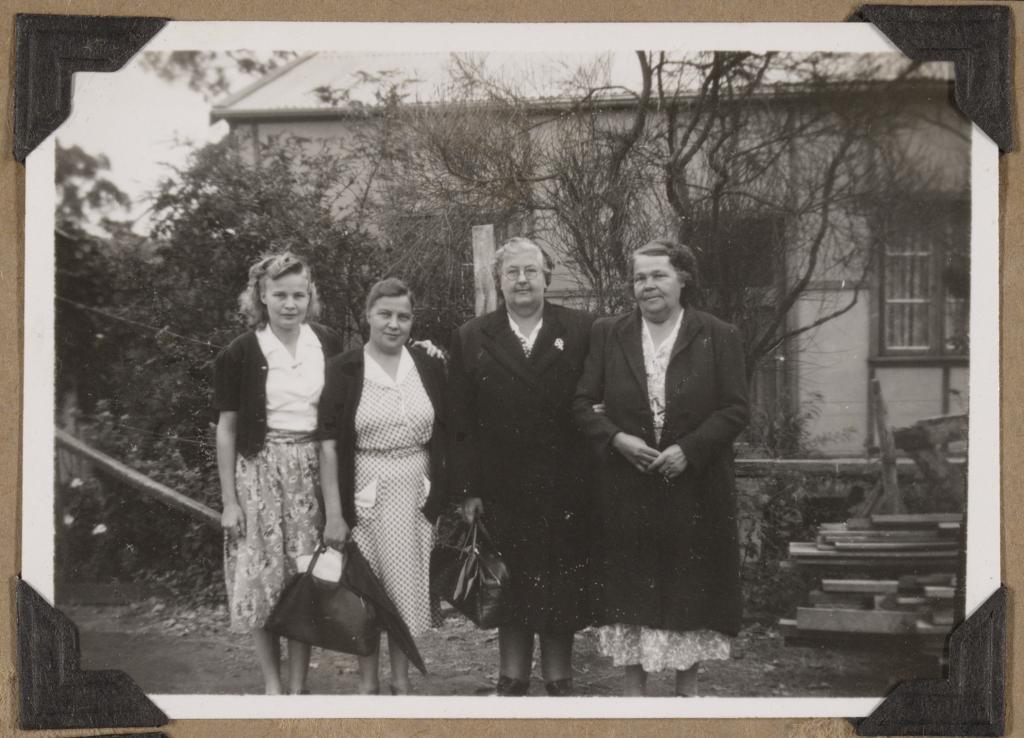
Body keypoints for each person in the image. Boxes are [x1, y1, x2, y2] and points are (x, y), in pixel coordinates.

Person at [573, 239, 749, 697]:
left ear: (683, 279)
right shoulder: (609, 332)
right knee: (633, 596)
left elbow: (735, 409)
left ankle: (685, 698)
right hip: (628, 491)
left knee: (688, 596)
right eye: (639, 277)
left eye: (658, 275)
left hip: (694, 490)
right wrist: (616, 439)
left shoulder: (717, 334)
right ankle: (634, 701)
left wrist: (690, 449)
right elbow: (581, 404)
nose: (647, 286)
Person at [448, 237, 595, 696]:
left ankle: (559, 679)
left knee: (559, 584)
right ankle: (512, 678)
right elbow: (460, 422)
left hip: (565, 484)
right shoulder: (473, 335)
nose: (522, 280)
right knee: (508, 584)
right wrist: (468, 489)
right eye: (512, 272)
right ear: (499, 281)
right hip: (501, 487)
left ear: (547, 277)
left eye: (531, 270)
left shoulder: (582, 329)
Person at [215, 252, 344, 695]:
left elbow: (341, 412)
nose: (290, 304)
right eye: (280, 295)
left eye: (299, 294)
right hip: (260, 472)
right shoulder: (241, 351)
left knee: (303, 578)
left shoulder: (326, 342)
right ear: (261, 297)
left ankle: (297, 686)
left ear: (310, 297)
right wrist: (230, 501)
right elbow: (227, 428)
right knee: (262, 580)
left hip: (313, 470)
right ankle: (273, 686)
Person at [317, 278, 448, 695]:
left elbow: (446, 430)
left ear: (413, 321)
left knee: (406, 590)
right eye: (385, 314)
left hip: (415, 489)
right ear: (368, 316)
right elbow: (329, 446)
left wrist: (441, 491)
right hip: (366, 492)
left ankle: (403, 684)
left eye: (403, 316)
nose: (394, 324)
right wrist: (336, 515)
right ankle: (368, 686)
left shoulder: (427, 363)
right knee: (368, 593)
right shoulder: (344, 368)